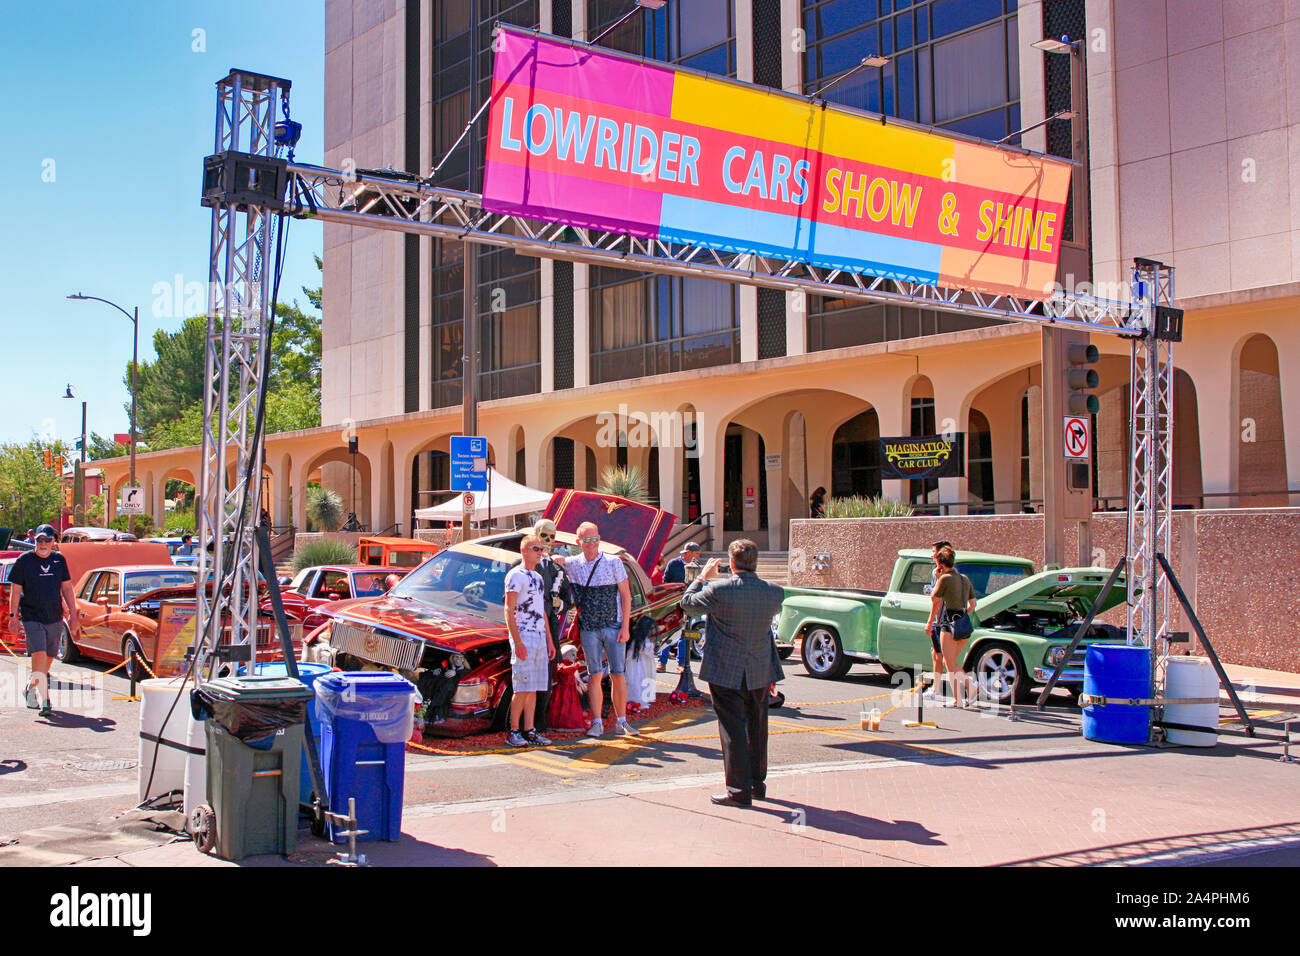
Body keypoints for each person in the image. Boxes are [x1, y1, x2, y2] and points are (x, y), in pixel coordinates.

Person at [680, 538, 784, 807]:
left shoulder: (719, 589)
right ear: (756, 562)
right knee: (757, 727)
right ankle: (756, 784)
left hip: (726, 668)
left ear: (732, 563)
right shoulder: (774, 592)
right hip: (759, 668)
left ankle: (738, 790)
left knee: (733, 729)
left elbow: (687, 603)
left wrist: (702, 577)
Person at [554, 521, 633, 738]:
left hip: (613, 624)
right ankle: (597, 722)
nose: (591, 544)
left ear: (599, 538)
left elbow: (625, 595)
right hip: (589, 628)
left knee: (618, 674)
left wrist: (625, 626)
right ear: (578, 542)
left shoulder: (613, 562)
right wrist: (556, 558)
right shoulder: (573, 563)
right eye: (586, 540)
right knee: (594, 674)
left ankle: (622, 721)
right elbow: (552, 562)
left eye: (594, 539)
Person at [7, 524, 80, 718]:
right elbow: (15, 591)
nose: (43, 543)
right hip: (32, 617)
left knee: (48, 658)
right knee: (38, 655)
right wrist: (13, 617)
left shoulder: (59, 560)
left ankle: (30, 688)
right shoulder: (24, 561)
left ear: (53, 542)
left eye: (47, 540)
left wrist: (73, 615)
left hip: (54, 616)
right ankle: (45, 700)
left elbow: (67, 588)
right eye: (40, 540)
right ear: (35, 540)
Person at [503, 534, 556, 747]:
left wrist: (549, 640)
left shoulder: (538, 577)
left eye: (541, 549)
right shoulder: (515, 575)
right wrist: (517, 641)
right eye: (536, 548)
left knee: (533, 687)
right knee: (522, 686)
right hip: (524, 634)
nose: (540, 552)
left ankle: (530, 729)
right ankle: (514, 730)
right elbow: (509, 609)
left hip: (539, 635)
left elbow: (541, 610)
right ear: (524, 550)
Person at [530, 518, 573, 731]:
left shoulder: (557, 569)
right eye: (543, 535)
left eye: (551, 537)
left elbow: (568, 599)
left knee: (545, 678)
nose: (547, 541)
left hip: (550, 631)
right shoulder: (523, 565)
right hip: (528, 628)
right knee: (527, 680)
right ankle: (524, 725)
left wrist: (560, 604)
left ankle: (539, 723)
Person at [926, 546, 977, 708]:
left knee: (950, 664)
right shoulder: (964, 578)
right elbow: (972, 604)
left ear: (940, 564)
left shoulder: (945, 579)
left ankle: (969, 687)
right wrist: (963, 614)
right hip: (964, 624)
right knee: (952, 663)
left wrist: (930, 622)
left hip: (948, 623)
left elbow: (935, 600)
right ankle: (959, 699)